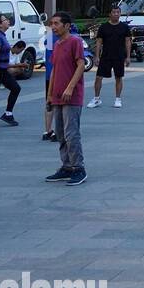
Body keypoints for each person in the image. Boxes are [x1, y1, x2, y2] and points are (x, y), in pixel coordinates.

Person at [45, 11, 87, 185]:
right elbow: (54, 70)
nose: (53, 27)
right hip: (57, 95)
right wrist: (49, 94)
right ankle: (67, 166)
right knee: (61, 134)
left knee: (71, 134)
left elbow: (81, 65)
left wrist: (70, 87)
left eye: (56, 23)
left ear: (67, 25)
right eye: (51, 24)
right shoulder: (57, 44)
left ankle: (78, 168)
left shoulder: (75, 41)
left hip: (72, 96)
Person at [88, 4, 131, 109]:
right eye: (114, 12)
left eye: (118, 12)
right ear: (110, 14)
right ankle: (96, 99)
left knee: (118, 77)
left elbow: (127, 42)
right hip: (106, 56)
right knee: (98, 77)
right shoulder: (103, 27)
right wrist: (97, 56)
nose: (116, 14)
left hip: (119, 56)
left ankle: (118, 99)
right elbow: (99, 42)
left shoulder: (124, 27)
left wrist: (128, 56)